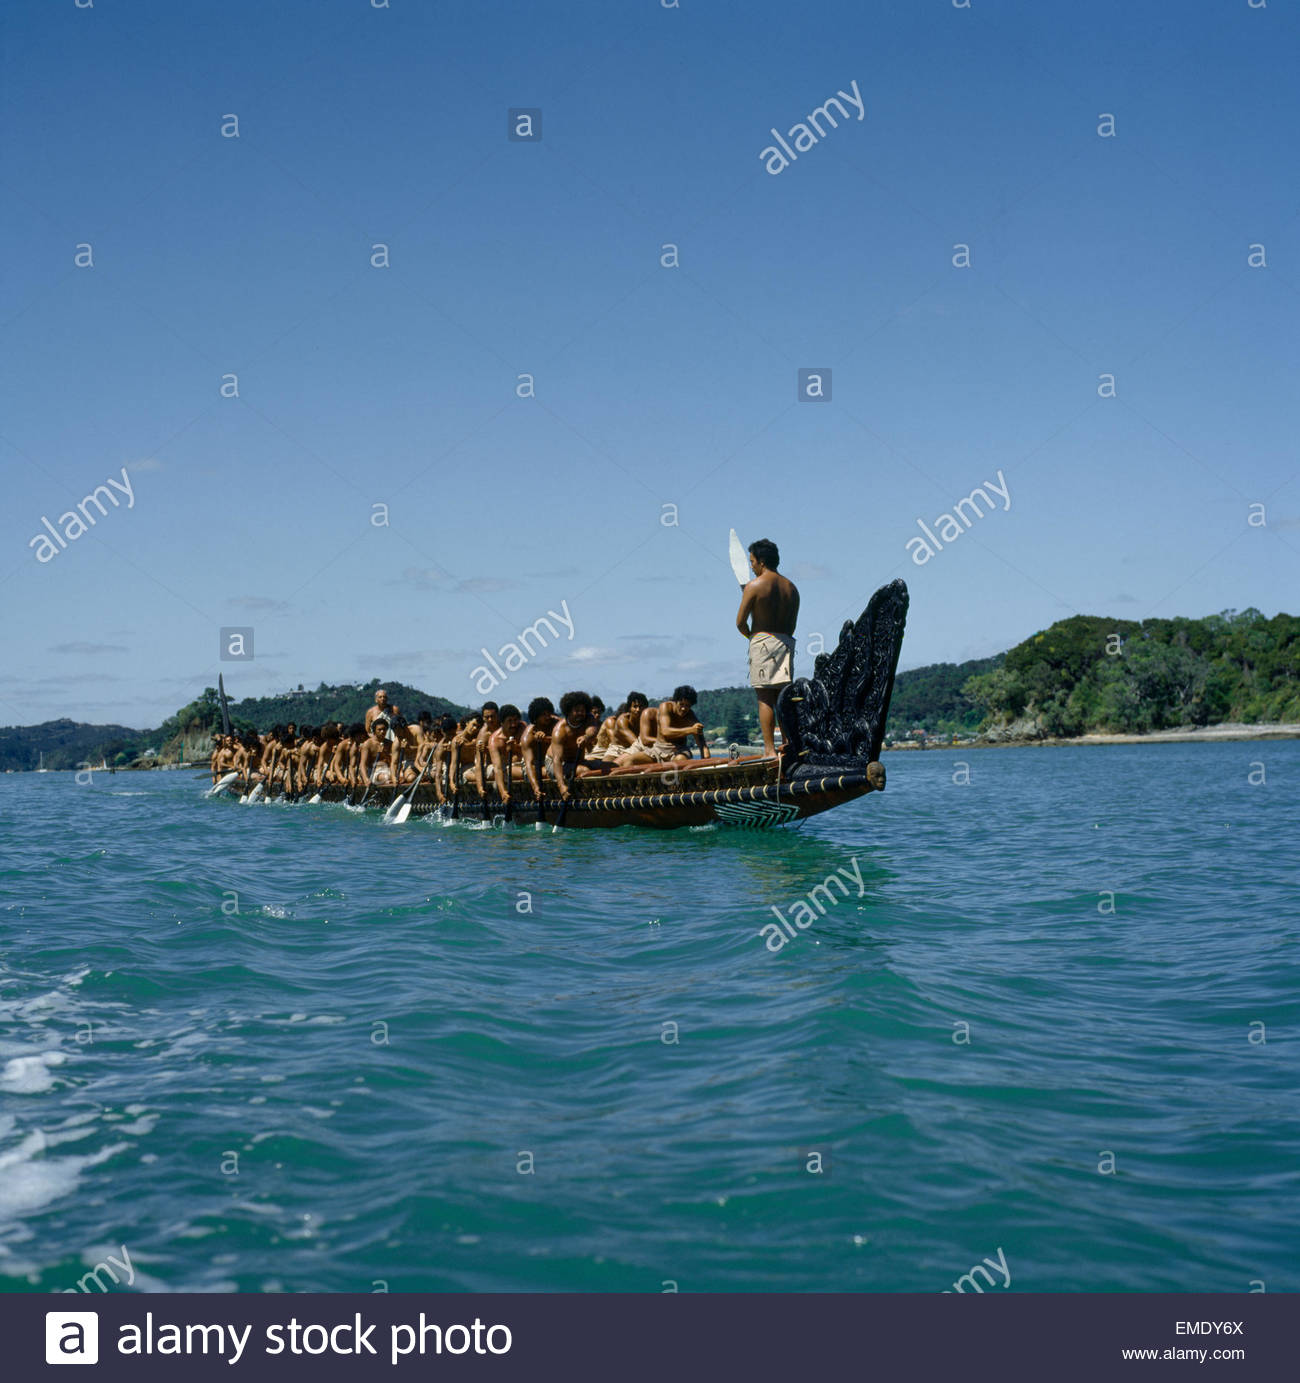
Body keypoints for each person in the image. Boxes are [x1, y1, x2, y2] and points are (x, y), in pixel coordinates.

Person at [736, 537, 799, 757]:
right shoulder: (792, 588)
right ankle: (790, 744)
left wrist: (752, 637)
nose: (751, 566)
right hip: (786, 642)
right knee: (783, 697)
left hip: (762, 640)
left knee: (764, 697)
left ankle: (770, 750)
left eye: (752, 562)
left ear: (761, 561)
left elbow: (740, 622)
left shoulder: (754, 586)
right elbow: (792, 625)